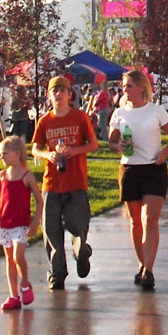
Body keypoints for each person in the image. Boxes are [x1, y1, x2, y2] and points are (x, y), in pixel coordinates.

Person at [108, 68, 168, 290]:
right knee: (136, 221)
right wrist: (120, 146)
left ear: (141, 87)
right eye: (123, 87)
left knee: (149, 220)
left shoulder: (156, 111)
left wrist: (164, 154)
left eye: (129, 86)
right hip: (129, 169)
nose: (124, 90)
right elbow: (111, 142)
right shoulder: (119, 113)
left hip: (154, 169)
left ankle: (149, 268)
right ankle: (141, 264)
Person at [30, 76, 99, 291]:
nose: (58, 94)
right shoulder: (44, 121)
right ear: (49, 96)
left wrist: (75, 151)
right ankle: (57, 274)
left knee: (78, 225)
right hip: (51, 184)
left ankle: (81, 253)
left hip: (76, 182)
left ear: (70, 95)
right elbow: (35, 148)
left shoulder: (79, 118)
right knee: (51, 231)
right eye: (54, 91)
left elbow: (93, 144)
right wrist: (47, 155)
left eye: (62, 91)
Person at [0, 135, 43, 311]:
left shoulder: (27, 176)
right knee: (9, 260)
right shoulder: (2, 176)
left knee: (18, 256)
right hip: (6, 223)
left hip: (21, 224)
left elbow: (39, 200)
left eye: (4, 154)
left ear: (16, 154)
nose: (2, 157)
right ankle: (13, 295)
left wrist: (35, 222)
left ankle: (25, 284)